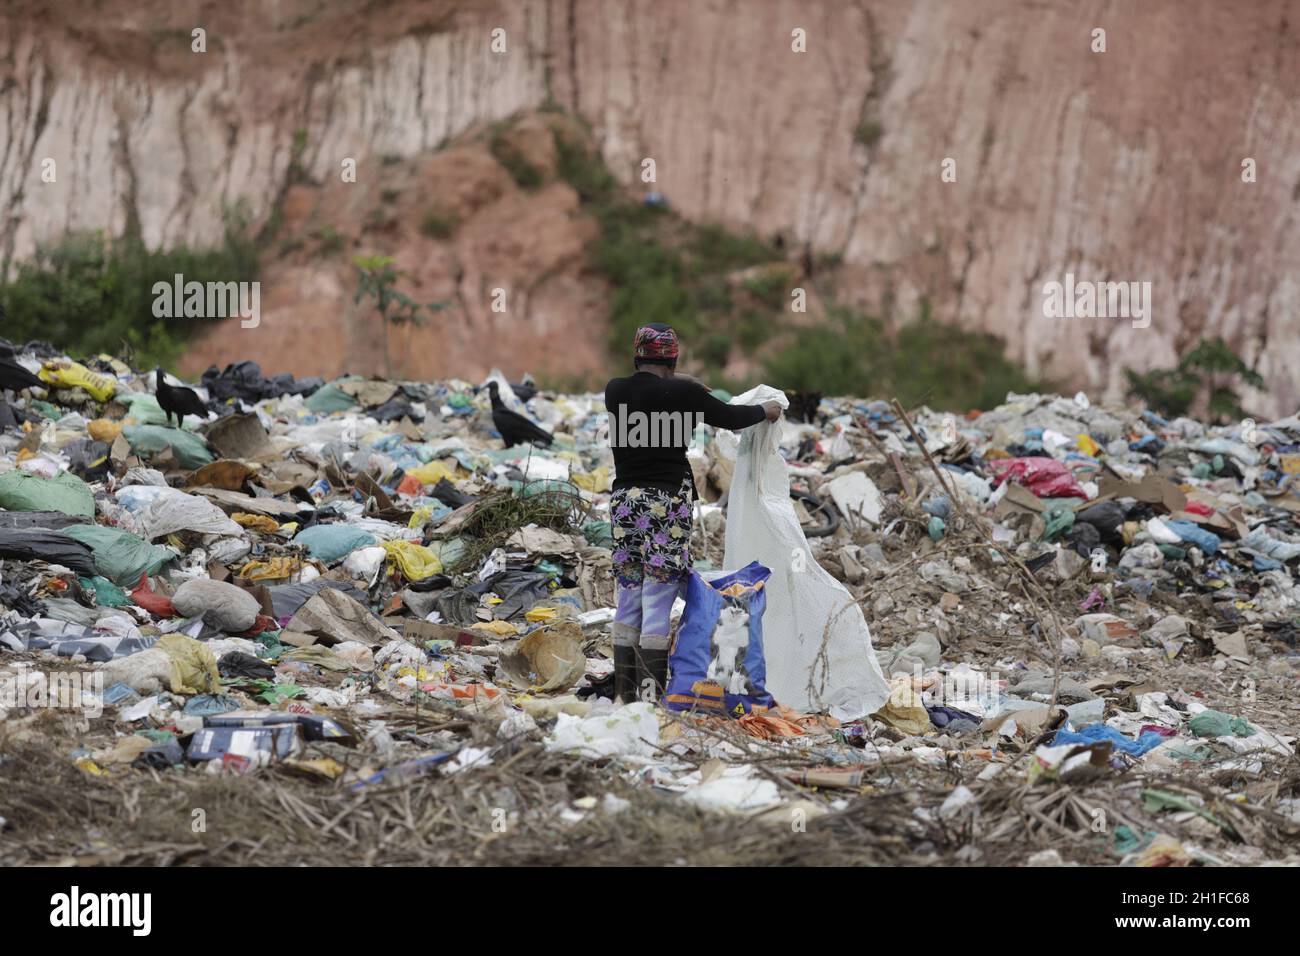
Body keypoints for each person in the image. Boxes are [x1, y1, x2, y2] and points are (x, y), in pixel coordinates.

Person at [603, 323, 781, 704]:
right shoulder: (684, 393)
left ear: (636, 357)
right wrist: (766, 410)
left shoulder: (615, 390)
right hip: (665, 504)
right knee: (658, 599)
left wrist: (675, 376)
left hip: (625, 504)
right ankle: (651, 699)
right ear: (674, 359)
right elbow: (732, 418)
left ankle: (624, 695)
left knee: (629, 597)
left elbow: (656, 384)